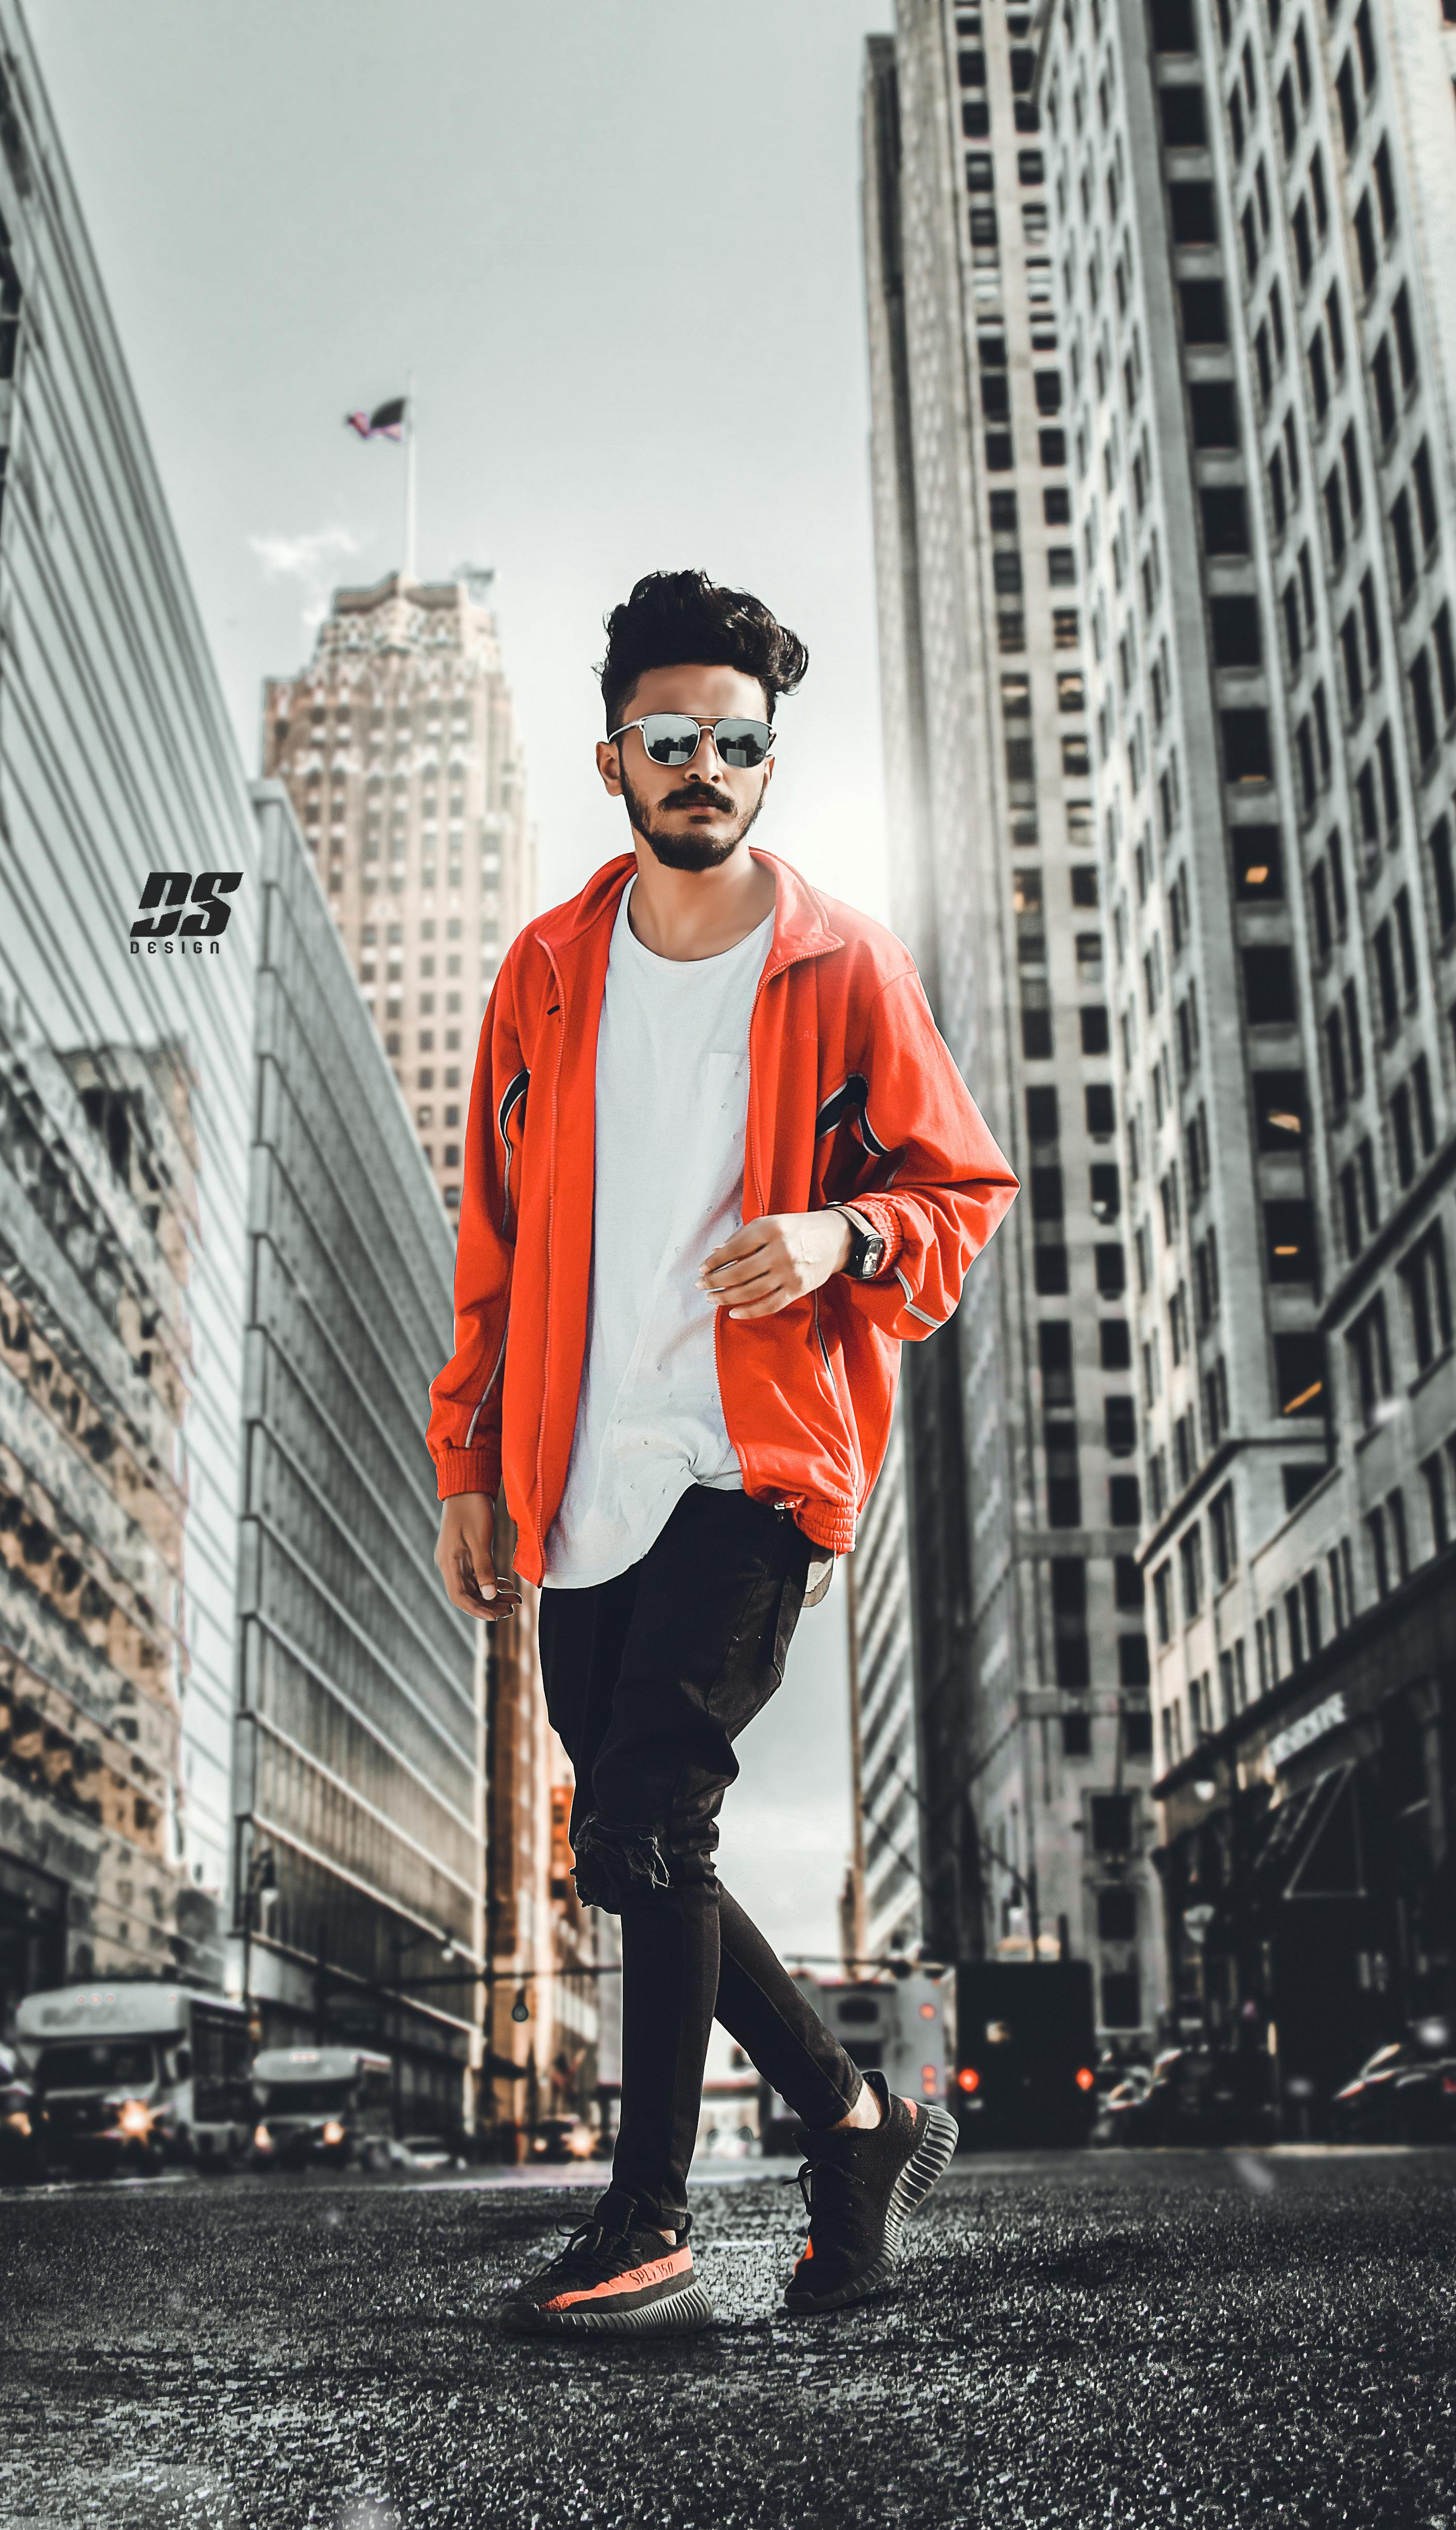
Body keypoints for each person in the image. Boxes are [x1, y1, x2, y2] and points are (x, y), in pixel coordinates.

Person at [427, 569, 1016, 2336]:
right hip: (572, 1476)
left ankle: (649, 2223)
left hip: (751, 1467)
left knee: (654, 1812)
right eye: (670, 739)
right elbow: (496, 1245)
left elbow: (960, 1192)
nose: (705, 766)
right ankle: (856, 2119)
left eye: (736, 743)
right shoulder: (543, 972)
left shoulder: (845, 965)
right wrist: (468, 1464)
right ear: (615, 759)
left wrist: (842, 1240)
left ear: (770, 762)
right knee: (631, 1847)